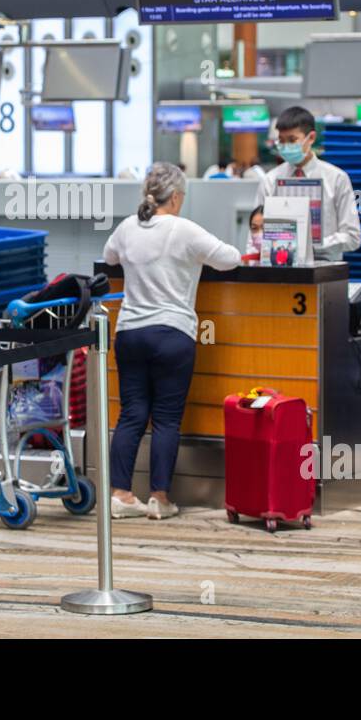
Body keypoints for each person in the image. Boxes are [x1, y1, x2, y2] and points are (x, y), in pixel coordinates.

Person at [102, 162, 242, 520]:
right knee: (166, 419)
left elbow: (109, 258)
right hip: (172, 334)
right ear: (177, 197)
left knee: (132, 414)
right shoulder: (185, 230)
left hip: (130, 333)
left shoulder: (127, 227)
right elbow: (230, 259)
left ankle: (120, 495)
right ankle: (159, 499)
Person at [255, 106, 361, 261]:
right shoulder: (270, 181)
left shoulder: (337, 179)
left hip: (326, 266)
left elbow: (353, 237)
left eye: (292, 140)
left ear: (311, 138)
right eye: (281, 141)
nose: (285, 146)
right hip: (280, 266)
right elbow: (256, 231)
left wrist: (312, 245)